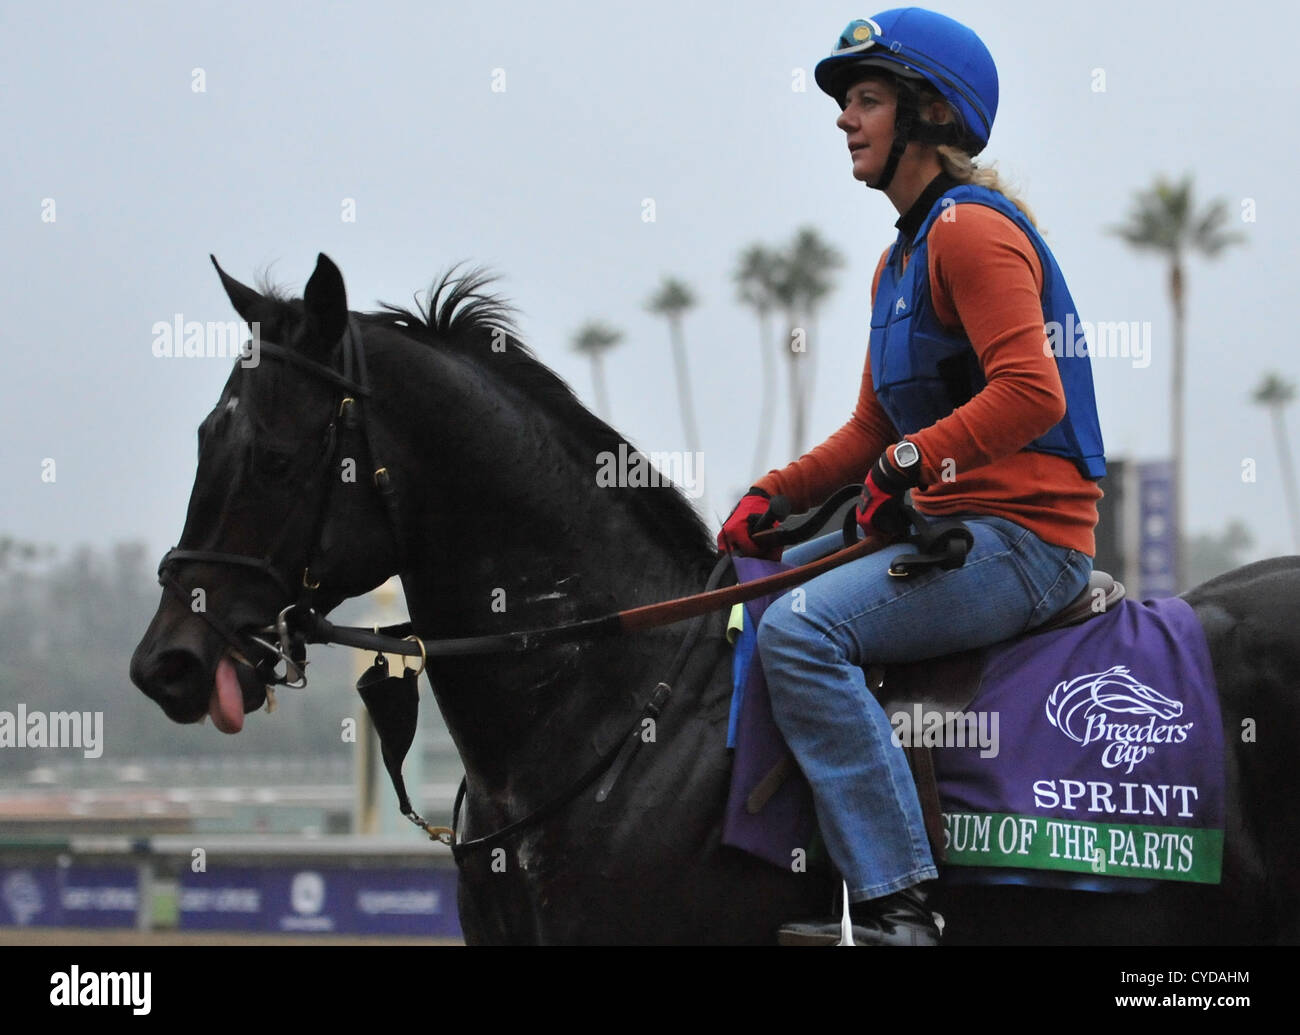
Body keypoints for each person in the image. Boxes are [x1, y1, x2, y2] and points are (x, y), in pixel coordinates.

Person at [718, 8, 1106, 946]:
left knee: (806, 634)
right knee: (750, 592)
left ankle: (899, 907)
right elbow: (871, 430)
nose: (845, 120)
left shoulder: (971, 234)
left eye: (866, 99)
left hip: (1027, 543)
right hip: (947, 528)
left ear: (928, 113)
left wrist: (909, 461)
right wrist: (777, 492)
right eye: (847, 102)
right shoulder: (899, 258)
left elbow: (1031, 391)